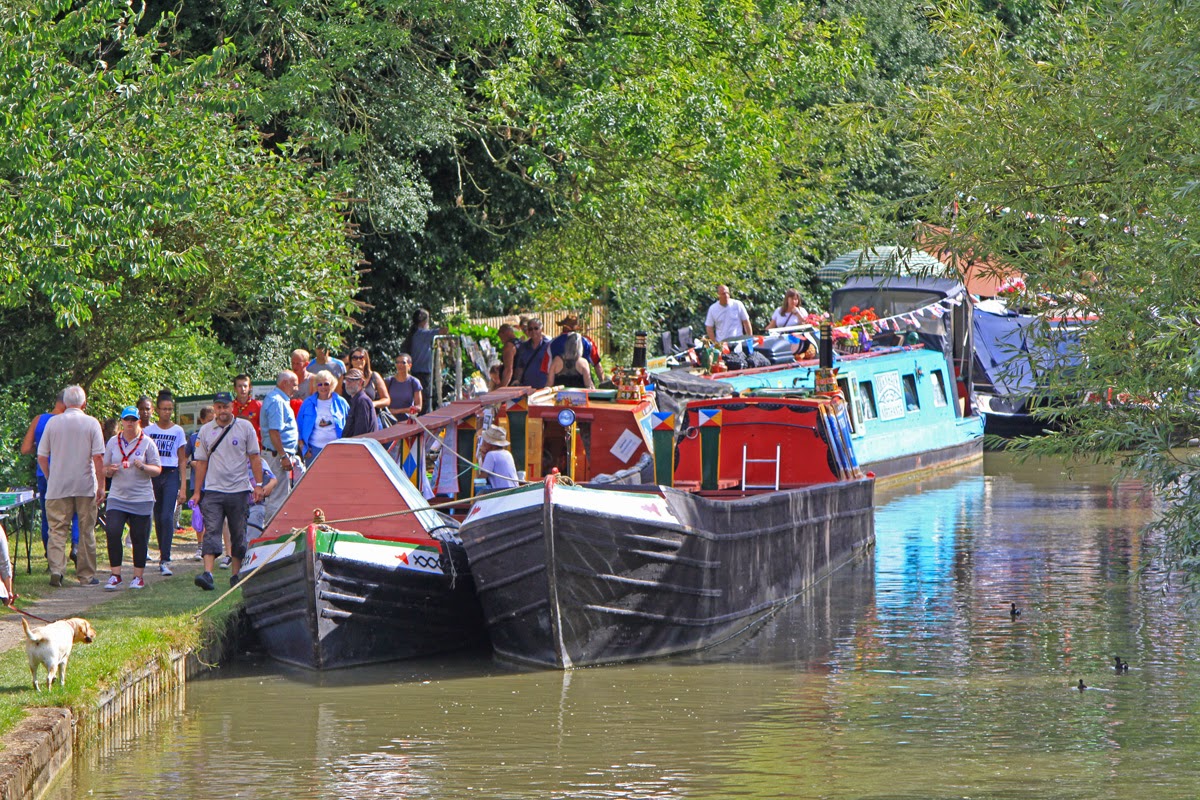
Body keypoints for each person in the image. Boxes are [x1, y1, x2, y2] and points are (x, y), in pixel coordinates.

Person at [190, 391, 264, 590]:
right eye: (219, 407)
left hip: (239, 489)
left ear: (232, 407)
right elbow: (201, 463)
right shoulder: (205, 431)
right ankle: (208, 574)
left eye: (226, 407)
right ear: (214, 408)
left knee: (238, 533)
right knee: (211, 530)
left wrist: (258, 484)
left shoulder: (245, 427)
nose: (222, 411)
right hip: (213, 490)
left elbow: (255, 457)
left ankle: (236, 575)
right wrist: (197, 492)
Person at [36, 385, 104, 587]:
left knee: (57, 530)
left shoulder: (53, 423)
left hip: (58, 485)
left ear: (65, 403)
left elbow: (41, 456)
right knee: (86, 530)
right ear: (84, 403)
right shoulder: (91, 423)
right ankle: (86, 575)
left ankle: (57, 569)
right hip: (84, 484)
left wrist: (50, 476)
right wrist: (101, 485)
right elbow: (98, 457)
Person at [102, 406, 162, 590]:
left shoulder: (147, 443)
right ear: (122, 422)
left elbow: (158, 470)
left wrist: (143, 466)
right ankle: (115, 574)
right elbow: (103, 469)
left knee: (139, 537)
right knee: (112, 531)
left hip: (141, 498)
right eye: (126, 420)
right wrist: (109, 471)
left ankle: (138, 576)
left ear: (138, 422)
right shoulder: (113, 441)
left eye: (133, 420)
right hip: (118, 496)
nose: (130, 423)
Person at [20, 391, 80, 560]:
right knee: (76, 511)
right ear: (66, 403)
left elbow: (25, 449)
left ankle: (50, 554)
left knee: (48, 515)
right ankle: (76, 545)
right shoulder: (71, 422)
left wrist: (41, 447)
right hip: (68, 472)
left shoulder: (39, 419)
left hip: (44, 473)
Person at [144, 390, 188, 576]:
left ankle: (165, 558)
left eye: (170, 409)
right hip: (154, 474)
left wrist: (183, 485)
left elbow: (182, 459)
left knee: (167, 516)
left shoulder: (178, 431)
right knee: (157, 515)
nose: (167, 413)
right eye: (164, 409)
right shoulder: (148, 431)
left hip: (170, 473)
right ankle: (160, 551)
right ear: (157, 410)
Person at [259, 371, 305, 525]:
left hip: (277, 455)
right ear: (285, 383)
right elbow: (274, 432)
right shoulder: (277, 401)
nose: (297, 388)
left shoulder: (279, 399)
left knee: (279, 496)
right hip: (276, 457)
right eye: (295, 384)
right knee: (277, 497)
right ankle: (273, 534)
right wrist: (283, 455)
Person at [297, 370, 349, 464]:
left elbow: (350, 425)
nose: (323, 387)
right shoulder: (308, 403)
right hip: (314, 451)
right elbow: (299, 427)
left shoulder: (341, 402)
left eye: (326, 384)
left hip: (337, 450)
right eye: (320, 384)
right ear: (316, 386)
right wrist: (303, 449)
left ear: (332, 385)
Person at [545, 314, 605, 382]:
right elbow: (597, 365)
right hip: (582, 384)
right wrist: (602, 382)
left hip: (560, 385)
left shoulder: (552, 343)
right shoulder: (587, 342)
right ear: (576, 327)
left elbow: (547, 369)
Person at [403, 309, 436, 413]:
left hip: (416, 370)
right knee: (424, 398)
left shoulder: (414, 334)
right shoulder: (423, 334)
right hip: (423, 371)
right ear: (424, 322)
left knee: (419, 396)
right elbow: (443, 330)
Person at [513, 319, 551, 388]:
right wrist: (517, 380)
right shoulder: (523, 347)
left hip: (544, 387)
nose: (533, 331)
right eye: (530, 329)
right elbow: (520, 366)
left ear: (541, 329)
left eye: (536, 328)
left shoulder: (549, 345)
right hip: (527, 386)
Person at [341, 369, 379, 438]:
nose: (347, 383)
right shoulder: (357, 400)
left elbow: (361, 432)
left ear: (361, 382)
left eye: (351, 380)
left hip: (360, 445)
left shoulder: (362, 401)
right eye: (346, 380)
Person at [478, 426, 519, 490]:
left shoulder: (491, 455)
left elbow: (482, 477)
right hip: (514, 490)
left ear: (490, 443)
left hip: (503, 492)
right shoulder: (508, 453)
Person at [385, 354, 423, 421]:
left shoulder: (414, 382)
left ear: (409, 365)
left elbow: (418, 407)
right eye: (397, 362)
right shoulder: (389, 381)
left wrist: (397, 411)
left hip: (407, 421)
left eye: (403, 362)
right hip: (389, 422)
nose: (400, 365)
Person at [231, 374, 262, 443]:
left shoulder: (258, 405)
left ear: (250, 387)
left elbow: (263, 426)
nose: (243, 389)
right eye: (239, 386)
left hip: (254, 444)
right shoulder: (230, 406)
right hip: (235, 445)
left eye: (245, 386)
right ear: (235, 388)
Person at [497, 323, 523, 388]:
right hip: (521, 380)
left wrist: (502, 388)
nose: (501, 340)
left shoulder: (509, 346)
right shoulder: (520, 342)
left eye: (500, 336)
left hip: (512, 383)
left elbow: (508, 370)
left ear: (504, 333)